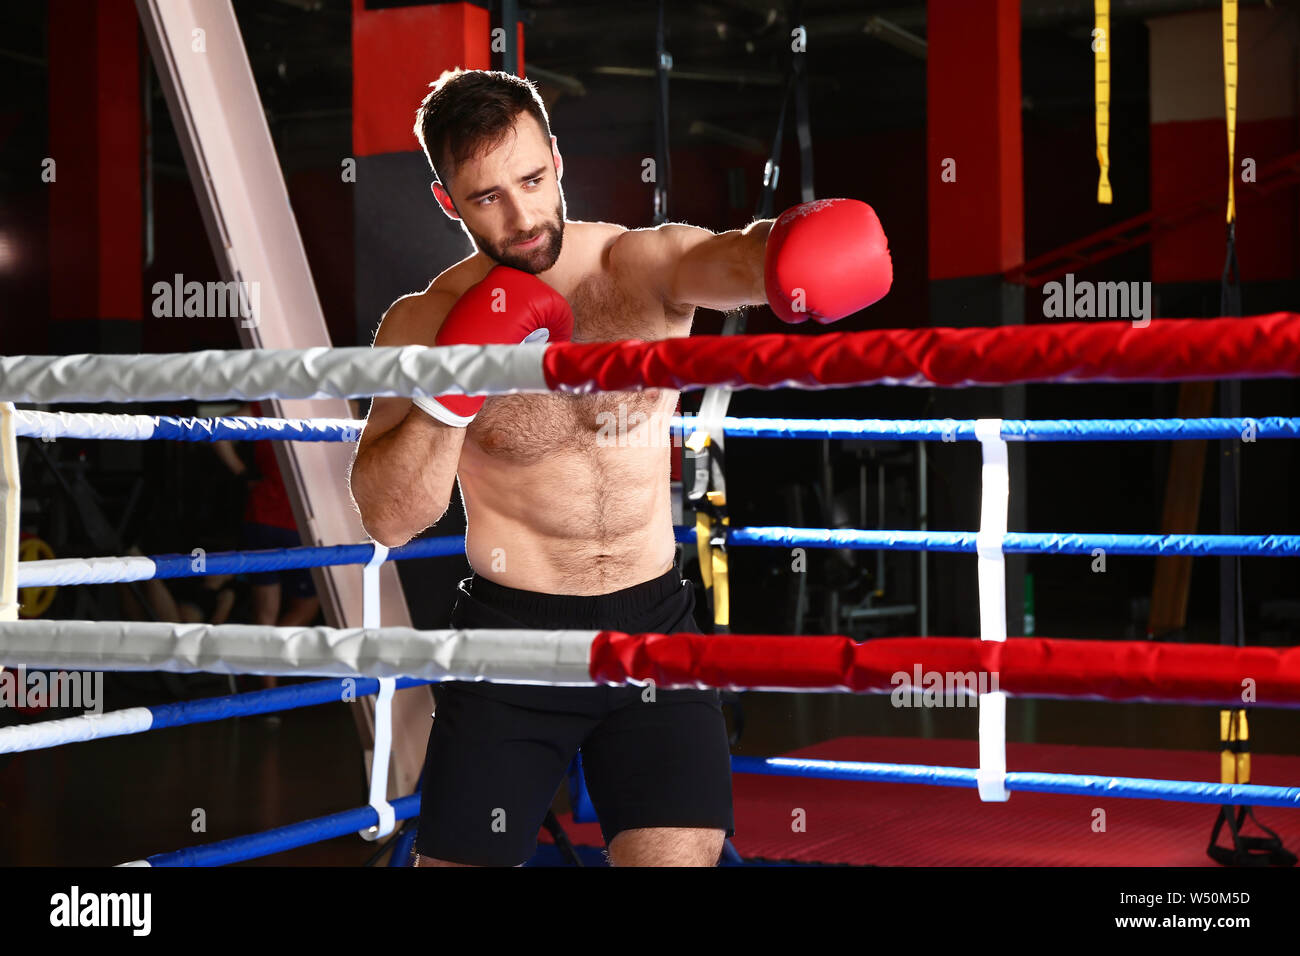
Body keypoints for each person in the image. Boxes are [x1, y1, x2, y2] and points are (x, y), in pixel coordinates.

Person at [348, 69, 891, 867]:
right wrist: (452, 387)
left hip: (654, 631)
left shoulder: (644, 266)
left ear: (558, 159)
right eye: (486, 197)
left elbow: (734, 260)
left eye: (532, 179)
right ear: (447, 203)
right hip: (510, 645)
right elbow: (391, 517)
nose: (524, 216)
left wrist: (790, 249)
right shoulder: (421, 323)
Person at [214, 401, 321, 694]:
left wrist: (243, 473)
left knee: (265, 612)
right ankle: (259, 666)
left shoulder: (267, 409)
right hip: (296, 523)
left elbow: (220, 431)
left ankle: (264, 692)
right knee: (309, 604)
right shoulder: (318, 407)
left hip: (260, 517)